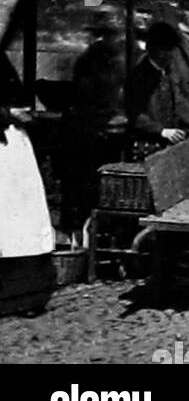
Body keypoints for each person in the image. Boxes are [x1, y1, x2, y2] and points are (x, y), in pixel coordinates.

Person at [58, 14, 126, 238]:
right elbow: (91, 96)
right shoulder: (96, 60)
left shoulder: (106, 58)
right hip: (90, 133)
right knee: (88, 190)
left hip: (96, 130)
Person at [0, 52, 56, 317]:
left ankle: (25, 295)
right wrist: (7, 114)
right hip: (4, 140)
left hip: (12, 144)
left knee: (23, 220)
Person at [126, 22, 189, 152]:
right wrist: (162, 131)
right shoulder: (139, 76)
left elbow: (183, 101)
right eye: (164, 50)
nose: (169, 54)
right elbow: (134, 114)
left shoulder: (171, 73)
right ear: (152, 49)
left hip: (169, 144)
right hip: (147, 145)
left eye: (171, 49)